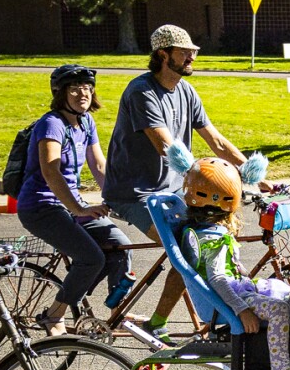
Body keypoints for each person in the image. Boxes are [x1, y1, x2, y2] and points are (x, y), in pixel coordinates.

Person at [103, 25, 267, 344]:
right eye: (184, 52)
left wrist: (253, 174)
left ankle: (211, 316)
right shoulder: (142, 92)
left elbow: (216, 140)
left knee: (206, 239)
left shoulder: (186, 91)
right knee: (187, 247)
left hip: (176, 189)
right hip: (136, 192)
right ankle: (158, 323)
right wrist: (213, 178)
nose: (192, 56)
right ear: (163, 55)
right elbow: (165, 144)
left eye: (193, 51)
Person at [178, 158, 290, 370]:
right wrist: (242, 310)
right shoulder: (214, 239)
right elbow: (218, 278)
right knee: (280, 308)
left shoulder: (201, 231)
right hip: (225, 301)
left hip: (231, 291)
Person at [14, 64, 131, 335]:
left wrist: (120, 200)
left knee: (120, 246)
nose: (83, 93)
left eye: (88, 88)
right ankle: (55, 315)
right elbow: (50, 171)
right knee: (91, 258)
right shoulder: (51, 124)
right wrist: (79, 207)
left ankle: (118, 312)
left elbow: (99, 166)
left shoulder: (86, 122)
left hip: (70, 206)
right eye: (75, 88)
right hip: (41, 208)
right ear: (60, 92)